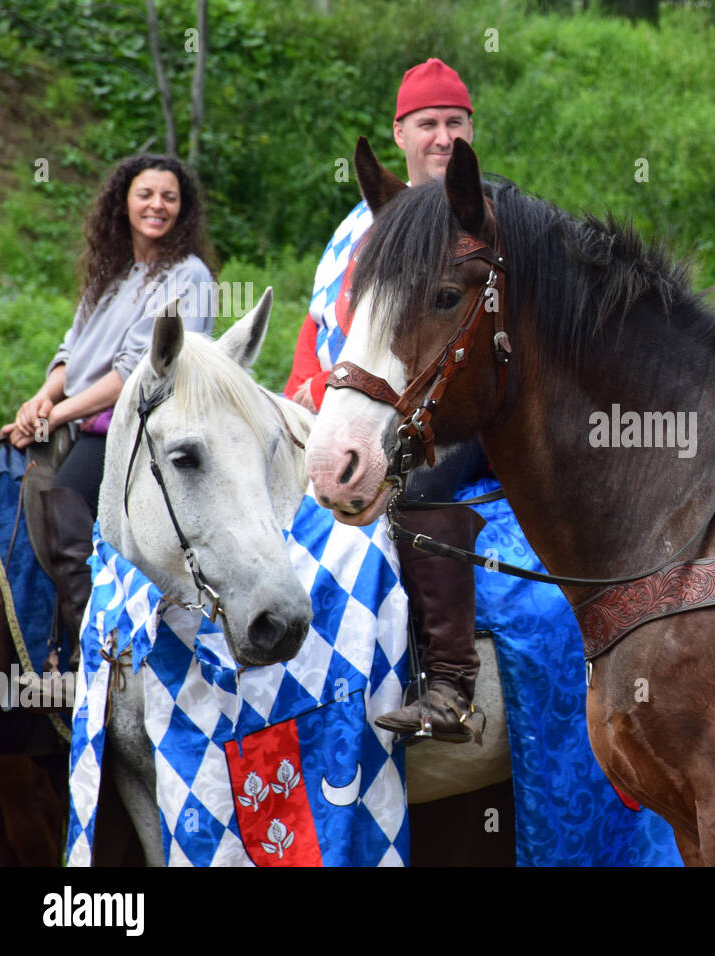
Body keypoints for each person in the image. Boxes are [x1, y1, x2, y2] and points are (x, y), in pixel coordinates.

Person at [283, 58, 488, 743]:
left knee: (421, 477)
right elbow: (318, 332)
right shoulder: (360, 229)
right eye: (427, 123)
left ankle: (452, 685)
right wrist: (303, 396)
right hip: (366, 400)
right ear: (399, 133)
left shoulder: (484, 212)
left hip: (465, 404)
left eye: (454, 123)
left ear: (470, 132)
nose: (441, 136)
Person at [0, 153, 217, 656]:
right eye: (145, 194)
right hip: (82, 419)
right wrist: (40, 400)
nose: (157, 205)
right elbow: (70, 352)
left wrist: (56, 414)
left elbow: (133, 375)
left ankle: (89, 653)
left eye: (170, 197)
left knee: (65, 506)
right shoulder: (113, 273)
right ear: (123, 203)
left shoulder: (189, 275)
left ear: (182, 210)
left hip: (138, 429)